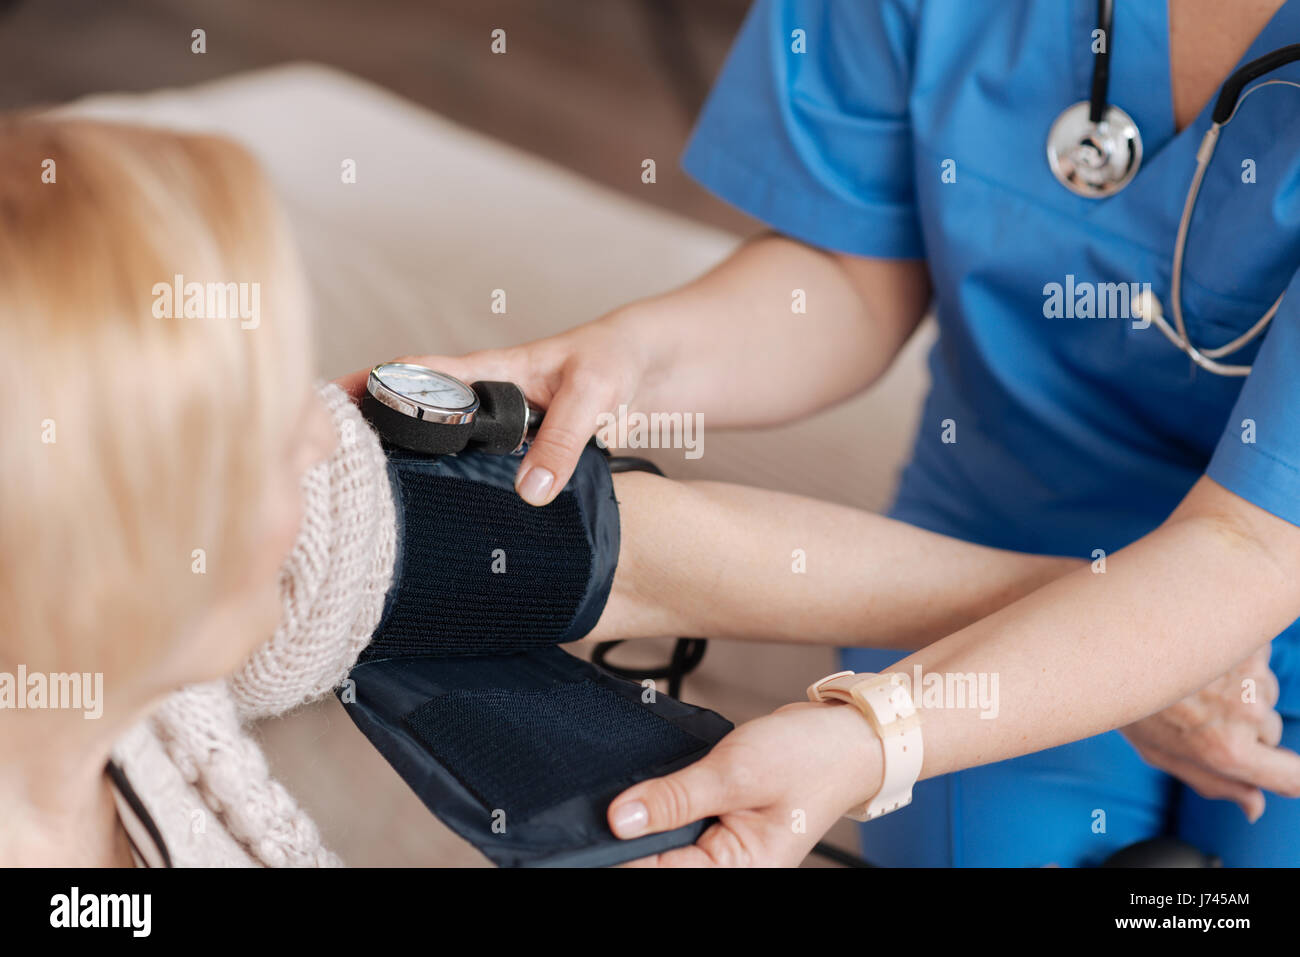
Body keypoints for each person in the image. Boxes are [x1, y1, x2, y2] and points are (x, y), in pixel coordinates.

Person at [3, 115, 1077, 866]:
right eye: (261, 430)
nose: (323, 430)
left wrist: (1082, 626)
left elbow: (608, 547)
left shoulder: (141, 644)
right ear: (104, 549)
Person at [402, 0, 1300, 866]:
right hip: (995, 531)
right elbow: (853, 275)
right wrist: (630, 358)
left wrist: (878, 734)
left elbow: (1251, 544)